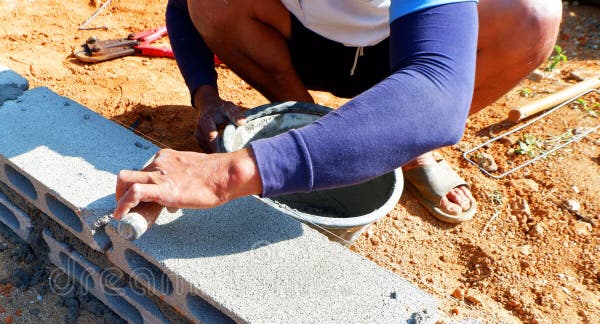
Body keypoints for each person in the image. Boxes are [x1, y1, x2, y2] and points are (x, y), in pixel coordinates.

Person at [114, 0, 562, 224]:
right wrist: (206, 97)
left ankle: (409, 145)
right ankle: (306, 120)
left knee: (531, 15)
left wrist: (226, 175)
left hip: (402, 51)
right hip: (301, 44)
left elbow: (439, 92)